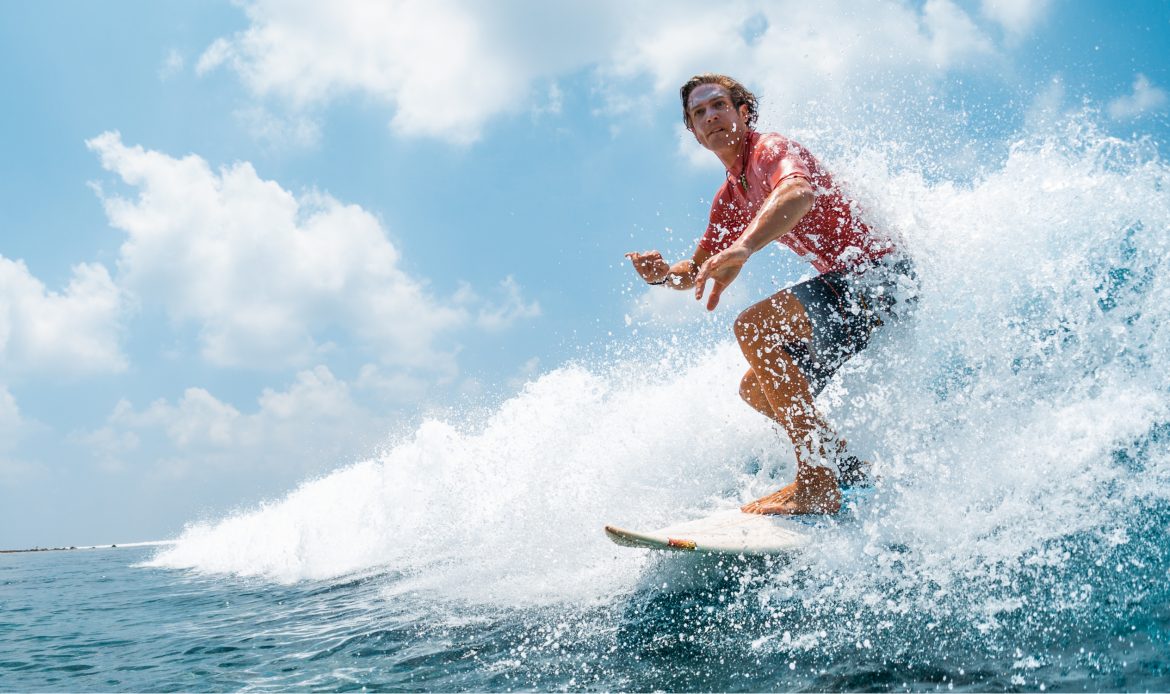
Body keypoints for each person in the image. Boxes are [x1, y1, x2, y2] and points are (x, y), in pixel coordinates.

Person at [626, 73, 915, 515]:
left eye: (718, 105)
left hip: (880, 276)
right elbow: (697, 268)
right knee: (757, 390)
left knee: (755, 327)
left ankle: (817, 481)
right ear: (694, 133)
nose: (710, 116)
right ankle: (847, 466)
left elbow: (799, 192)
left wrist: (743, 247)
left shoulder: (769, 150)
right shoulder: (729, 197)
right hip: (852, 293)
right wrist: (664, 275)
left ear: (743, 111)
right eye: (698, 113)